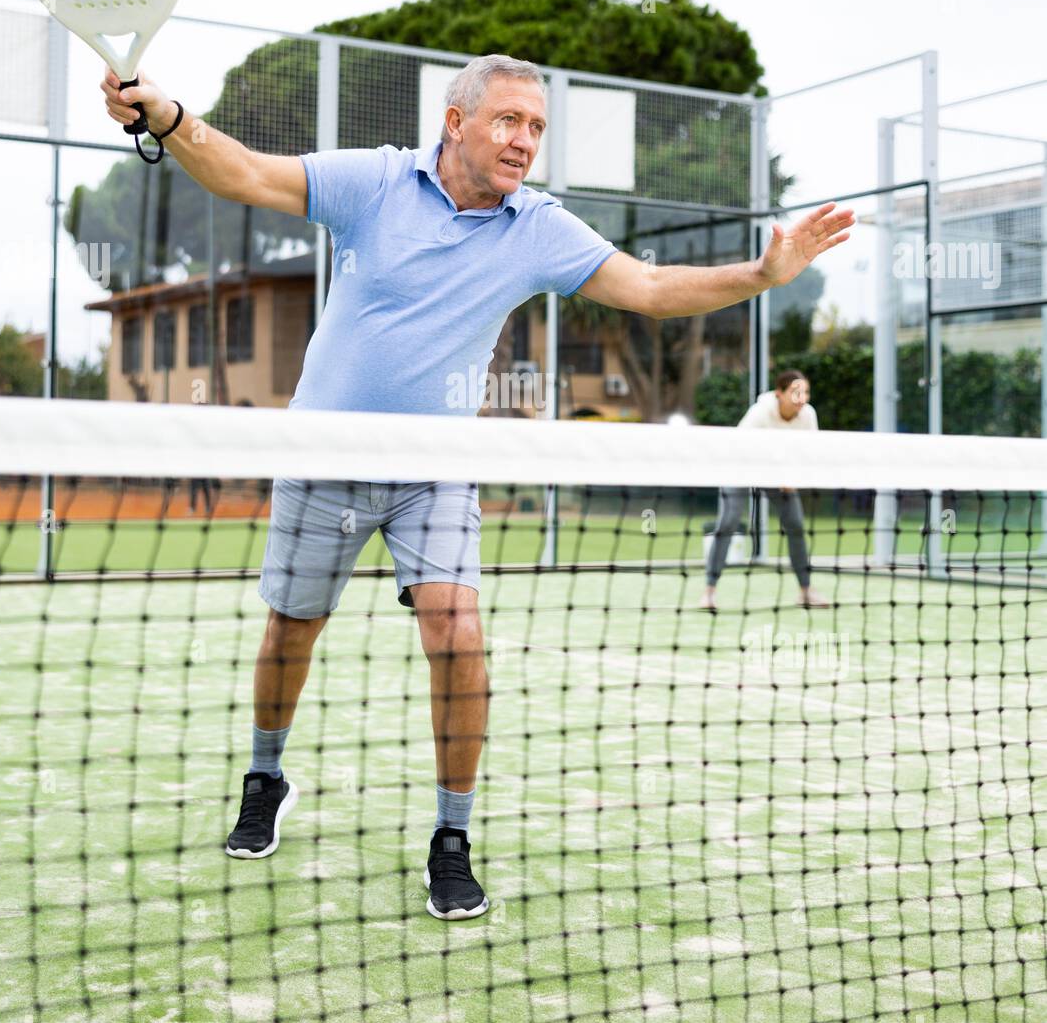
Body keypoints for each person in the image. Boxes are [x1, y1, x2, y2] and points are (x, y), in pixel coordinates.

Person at [101, 55, 853, 920]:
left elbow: (645, 288)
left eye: (535, 127)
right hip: (323, 454)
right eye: (507, 121)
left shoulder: (537, 227)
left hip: (436, 468)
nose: (524, 140)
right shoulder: (376, 182)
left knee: (458, 633)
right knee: (291, 633)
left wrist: (758, 276)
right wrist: (168, 117)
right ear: (455, 123)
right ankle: (265, 775)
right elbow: (244, 172)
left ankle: (450, 838)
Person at [701, 369, 829, 611]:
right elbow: (740, 448)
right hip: (741, 466)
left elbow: (809, 453)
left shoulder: (808, 416)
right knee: (728, 522)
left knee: (796, 524)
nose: (802, 398)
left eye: (806, 392)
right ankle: (709, 591)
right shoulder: (759, 414)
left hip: (778, 475)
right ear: (779, 394)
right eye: (795, 392)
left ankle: (805, 591)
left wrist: (789, 476)